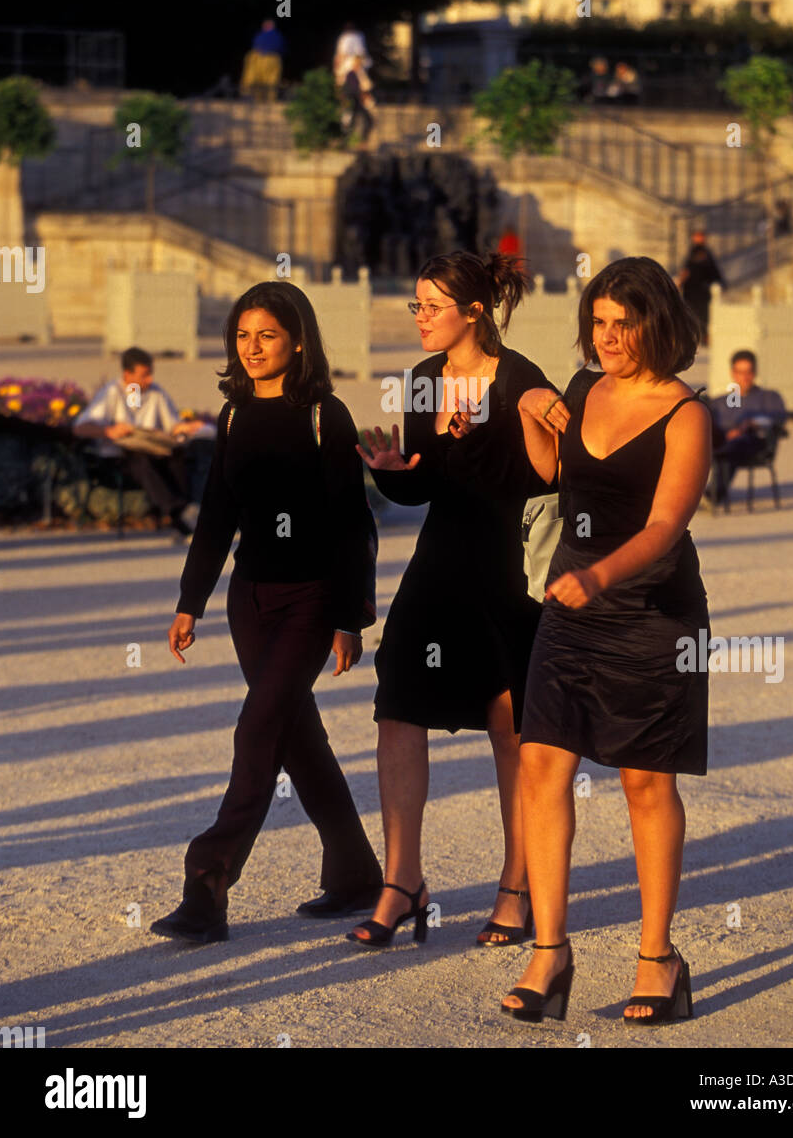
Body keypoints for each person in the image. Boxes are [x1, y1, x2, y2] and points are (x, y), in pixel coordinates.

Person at [501, 256, 711, 1025]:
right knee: (541, 765)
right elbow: (560, 477)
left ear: (658, 324)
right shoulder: (585, 386)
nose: (610, 336)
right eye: (599, 322)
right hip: (570, 605)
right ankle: (550, 952)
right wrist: (531, 417)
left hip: (651, 614)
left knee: (644, 784)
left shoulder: (686, 413)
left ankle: (659, 958)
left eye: (624, 323)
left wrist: (600, 579)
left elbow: (664, 529)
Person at [150, 281, 383, 944]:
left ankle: (208, 881)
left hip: (311, 599)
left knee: (256, 730)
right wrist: (189, 602)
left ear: (298, 341)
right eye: (243, 336)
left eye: (268, 336)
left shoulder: (325, 416)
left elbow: (349, 523)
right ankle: (356, 875)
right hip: (249, 600)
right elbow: (218, 514)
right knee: (296, 739)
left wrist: (348, 617)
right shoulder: (232, 415)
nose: (252, 348)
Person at [348, 251, 557, 949]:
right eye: (416, 305)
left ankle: (516, 886)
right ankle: (402, 882)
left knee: (512, 726)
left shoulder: (519, 378)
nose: (421, 319)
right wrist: (388, 475)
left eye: (432, 307)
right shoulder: (421, 382)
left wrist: (466, 444)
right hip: (439, 564)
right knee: (398, 706)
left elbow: (539, 480)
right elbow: (422, 486)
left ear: (474, 311)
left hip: (508, 569)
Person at [73, 346, 205, 535]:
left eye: (151, 374)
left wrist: (185, 427)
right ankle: (181, 514)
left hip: (151, 452)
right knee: (138, 459)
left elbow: (171, 425)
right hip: (116, 458)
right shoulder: (111, 392)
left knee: (177, 456)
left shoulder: (155, 392)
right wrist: (108, 431)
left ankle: (185, 515)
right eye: (144, 375)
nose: (150, 380)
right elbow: (80, 427)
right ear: (127, 374)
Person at [707, 350, 787, 504]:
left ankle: (714, 493)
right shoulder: (721, 402)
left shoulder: (769, 398)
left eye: (749, 372)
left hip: (756, 445)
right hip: (723, 443)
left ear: (755, 372)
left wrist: (751, 424)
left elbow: (778, 418)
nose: (744, 377)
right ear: (733, 373)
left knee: (735, 446)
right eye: (740, 372)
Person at [678, 230, 724, 345]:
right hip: (692, 291)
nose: (699, 239)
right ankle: (695, 336)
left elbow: (712, 270)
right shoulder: (694, 252)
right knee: (692, 313)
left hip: (702, 291)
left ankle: (704, 337)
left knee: (703, 315)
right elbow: (687, 269)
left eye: (700, 237)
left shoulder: (705, 253)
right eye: (697, 237)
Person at [239, 19, 286, 102]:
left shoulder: (274, 36)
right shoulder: (267, 35)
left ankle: (262, 98)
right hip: (265, 58)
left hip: (267, 59)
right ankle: (262, 98)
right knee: (265, 80)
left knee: (267, 80)